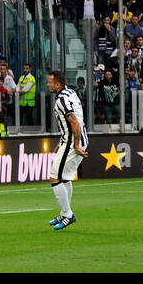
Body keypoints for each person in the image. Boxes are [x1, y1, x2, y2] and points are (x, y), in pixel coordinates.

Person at [47, 70, 88, 231]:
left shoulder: (61, 101)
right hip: (71, 139)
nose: (48, 84)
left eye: (50, 82)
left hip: (73, 141)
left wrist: (76, 145)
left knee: (54, 177)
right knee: (64, 178)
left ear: (57, 84)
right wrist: (62, 140)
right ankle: (64, 213)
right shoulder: (70, 92)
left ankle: (68, 214)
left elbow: (75, 123)